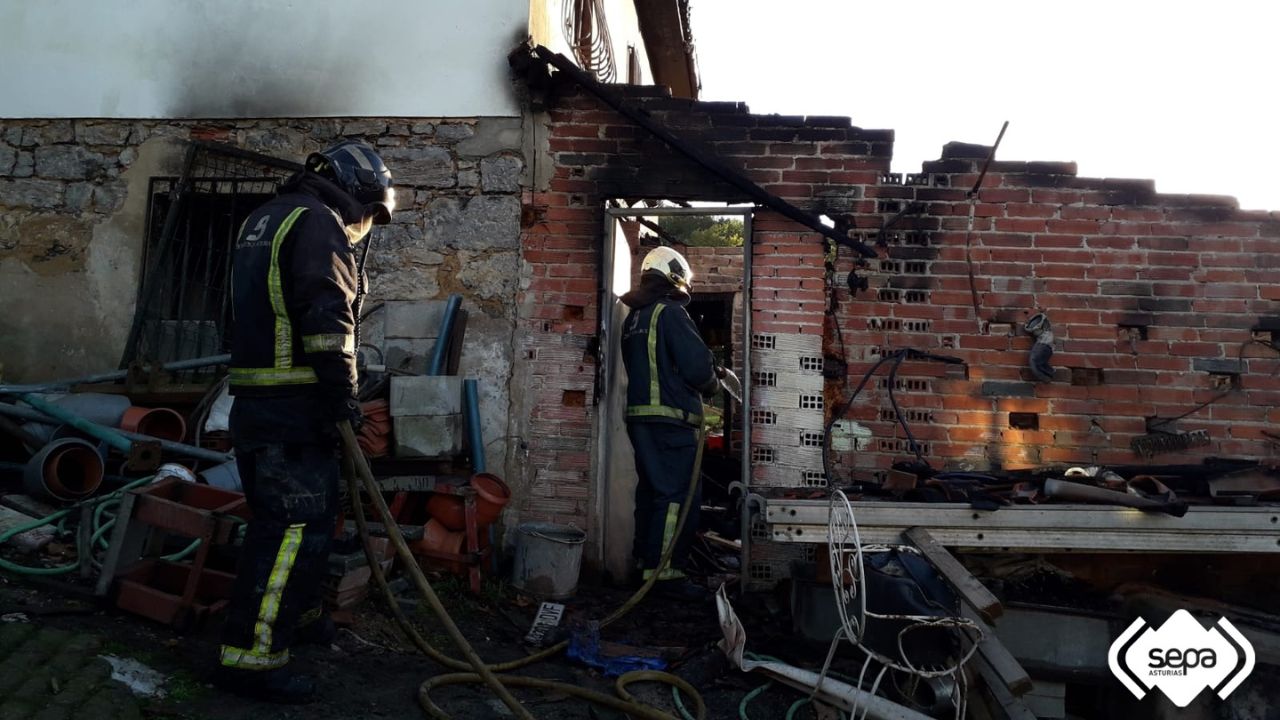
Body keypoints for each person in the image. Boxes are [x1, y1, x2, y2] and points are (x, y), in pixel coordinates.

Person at [215, 140, 394, 703]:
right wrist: (344, 394)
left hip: (261, 404)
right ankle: (253, 661)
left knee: (308, 523)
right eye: (370, 214)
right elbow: (327, 320)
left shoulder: (265, 218)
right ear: (358, 194)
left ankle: (303, 617)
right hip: (295, 407)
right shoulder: (320, 225)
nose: (366, 227)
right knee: (289, 532)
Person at [620, 246, 724, 596]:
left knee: (652, 494)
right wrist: (712, 382)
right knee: (677, 497)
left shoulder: (633, 317)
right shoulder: (672, 313)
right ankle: (664, 574)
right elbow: (697, 368)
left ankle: (644, 563)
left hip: (641, 420)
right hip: (670, 422)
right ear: (674, 274)